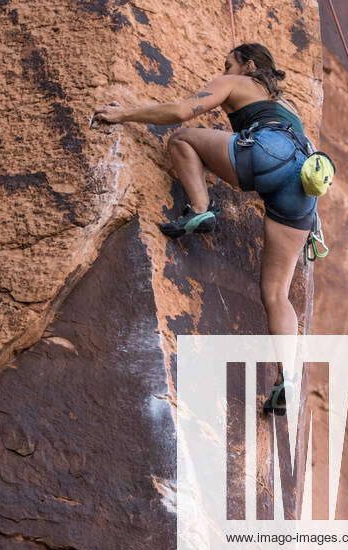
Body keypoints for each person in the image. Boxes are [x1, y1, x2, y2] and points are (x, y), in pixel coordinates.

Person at [93, 42, 319, 412]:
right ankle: (288, 377)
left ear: (246, 65)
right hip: (303, 193)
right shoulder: (291, 110)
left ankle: (200, 209)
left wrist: (126, 115)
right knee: (277, 293)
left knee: (183, 139)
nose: (224, 68)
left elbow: (183, 111)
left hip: (267, 155)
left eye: (229, 62)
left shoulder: (235, 83)